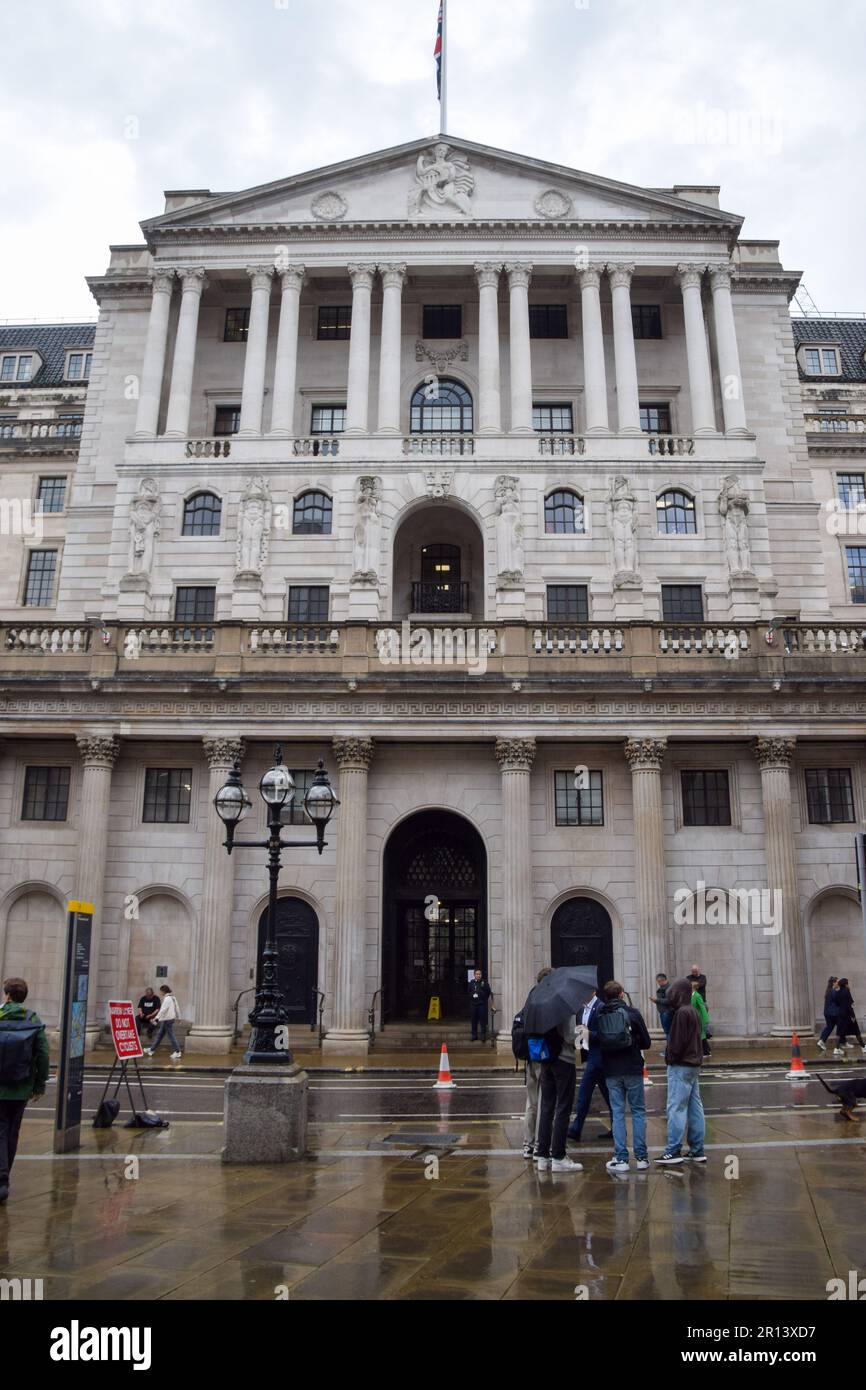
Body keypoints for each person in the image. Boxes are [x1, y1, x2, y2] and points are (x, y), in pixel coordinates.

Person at [0, 977, 50, 1202]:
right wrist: (39, 1085)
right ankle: (4, 1175)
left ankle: (1, 1180)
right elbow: (44, 1055)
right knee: (12, 1132)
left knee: (0, 1131)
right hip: (21, 1087)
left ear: (7, 995)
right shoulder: (33, 1019)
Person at [595, 981, 652, 1173]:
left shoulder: (600, 1014)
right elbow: (646, 1042)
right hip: (633, 1068)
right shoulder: (632, 1013)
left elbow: (598, 1041)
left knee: (617, 1113)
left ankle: (621, 1159)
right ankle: (642, 1158)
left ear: (606, 997)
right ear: (621, 994)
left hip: (611, 1070)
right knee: (638, 1112)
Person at [656, 978, 706, 1164]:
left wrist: (669, 1056)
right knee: (695, 1107)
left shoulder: (681, 1014)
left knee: (676, 1107)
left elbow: (676, 1044)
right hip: (693, 1064)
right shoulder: (692, 1011)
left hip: (681, 1065)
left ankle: (673, 1150)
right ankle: (697, 1149)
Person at [534, 1004, 583, 1174]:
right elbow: (570, 1036)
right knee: (563, 1108)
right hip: (564, 1060)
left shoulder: (541, 1007)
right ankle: (558, 1157)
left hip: (546, 1060)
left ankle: (542, 1157)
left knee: (546, 1108)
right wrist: (582, 1032)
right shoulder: (566, 1007)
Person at [567, 989, 614, 1142]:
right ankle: (617, 1128)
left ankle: (576, 1129)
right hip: (590, 1056)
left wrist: (589, 1033)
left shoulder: (600, 1007)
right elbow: (580, 1031)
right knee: (609, 1095)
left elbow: (605, 1034)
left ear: (593, 991)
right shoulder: (581, 1009)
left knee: (584, 1094)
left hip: (599, 1057)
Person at [522, 967, 551, 1159]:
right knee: (544, 1102)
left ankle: (528, 1145)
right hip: (544, 1056)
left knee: (530, 1103)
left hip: (529, 1056)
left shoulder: (530, 998)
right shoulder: (548, 1000)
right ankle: (541, 1144)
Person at [144, 985, 182, 1060]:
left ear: (163, 991)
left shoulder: (167, 999)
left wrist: (155, 1018)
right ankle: (152, 1049)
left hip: (167, 1019)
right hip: (168, 1019)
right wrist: (179, 1017)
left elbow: (163, 1010)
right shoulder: (173, 997)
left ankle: (177, 1051)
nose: (160, 992)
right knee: (160, 1035)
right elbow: (177, 1007)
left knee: (171, 1036)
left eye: (160, 991)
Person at [833, 978, 866, 1057]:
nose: (848, 984)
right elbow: (849, 1004)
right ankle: (863, 1046)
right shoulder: (847, 991)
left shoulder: (837, 993)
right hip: (848, 1015)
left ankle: (836, 1049)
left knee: (839, 1033)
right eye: (847, 983)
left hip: (841, 1014)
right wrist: (853, 1016)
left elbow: (837, 1003)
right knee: (856, 1031)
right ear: (845, 984)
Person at [816, 976, 839, 1052]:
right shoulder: (834, 992)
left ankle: (821, 1041)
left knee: (829, 1027)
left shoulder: (828, 991)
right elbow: (838, 1002)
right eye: (837, 982)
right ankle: (842, 1043)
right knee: (842, 1027)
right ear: (833, 982)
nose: (838, 984)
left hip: (827, 1013)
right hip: (833, 1013)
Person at [468, 968, 492, 1042]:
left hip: (481, 1004)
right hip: (473, 1004)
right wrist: (472, 996)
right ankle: (474, 1035)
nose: (478, 975)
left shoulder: (484, 982)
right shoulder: (471, 982)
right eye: (477, 974)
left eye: (479, 974)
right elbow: (469, 991)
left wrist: (483, 998)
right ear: (474, 975)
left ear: (481, 975)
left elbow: (488, 992)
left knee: (482, 1020)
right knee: (473, 1020)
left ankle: (483, 1035)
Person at [691, 982, 712, 1058]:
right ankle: (706, 1050)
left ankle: (706, 1052)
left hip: (699, 1018)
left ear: (693, 988)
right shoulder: (691, 996)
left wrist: (706, 1019)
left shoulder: (697, 996)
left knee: (701, 1035)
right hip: (693, 1018)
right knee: (699, 1035)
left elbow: (702, 1007)